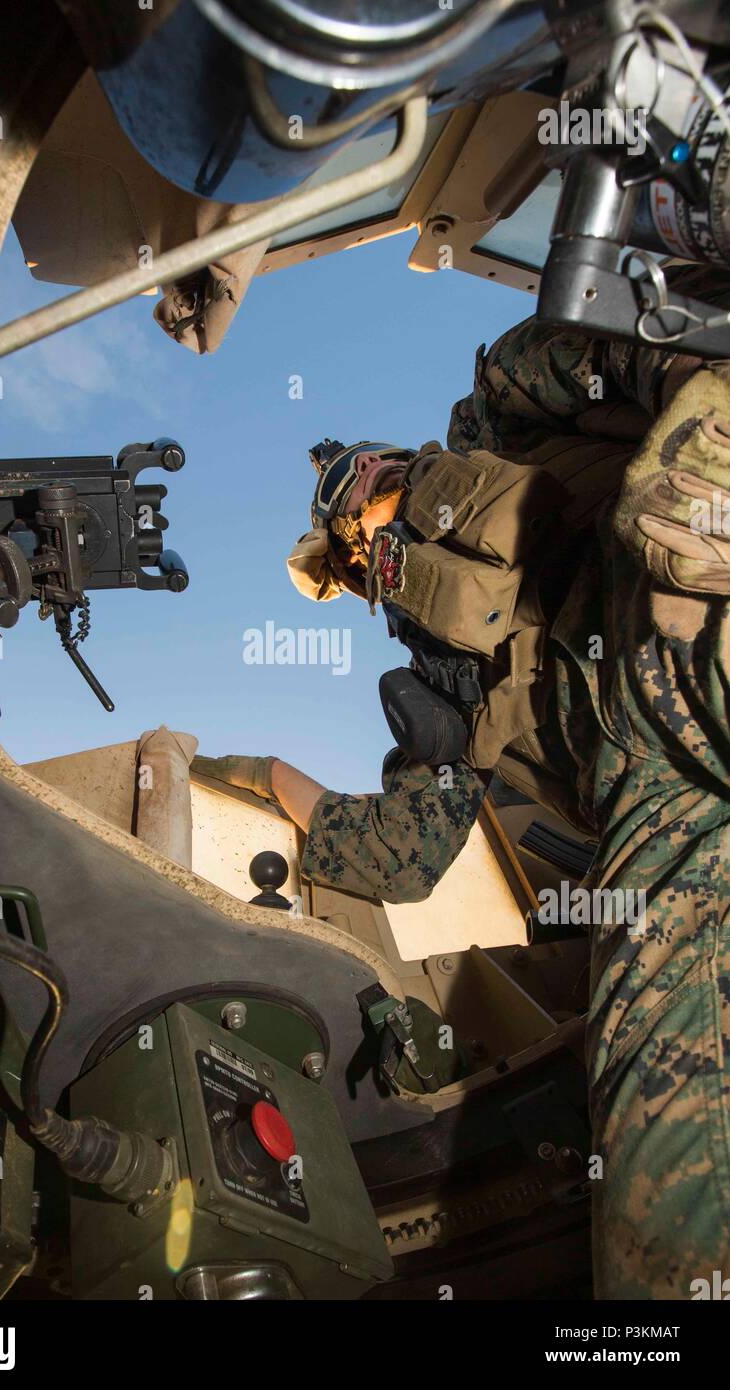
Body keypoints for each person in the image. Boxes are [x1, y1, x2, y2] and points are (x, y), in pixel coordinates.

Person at [193, 265, 730, 1298]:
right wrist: (274, 779)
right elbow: (401, 858)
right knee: (655, 1224)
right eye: (354, 560)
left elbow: (630, 341)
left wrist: (698, 437)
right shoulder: (434, 682)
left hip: (673, 589)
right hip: (659, 792)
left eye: (365, 507)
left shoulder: (496, 414)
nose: (368, 547)